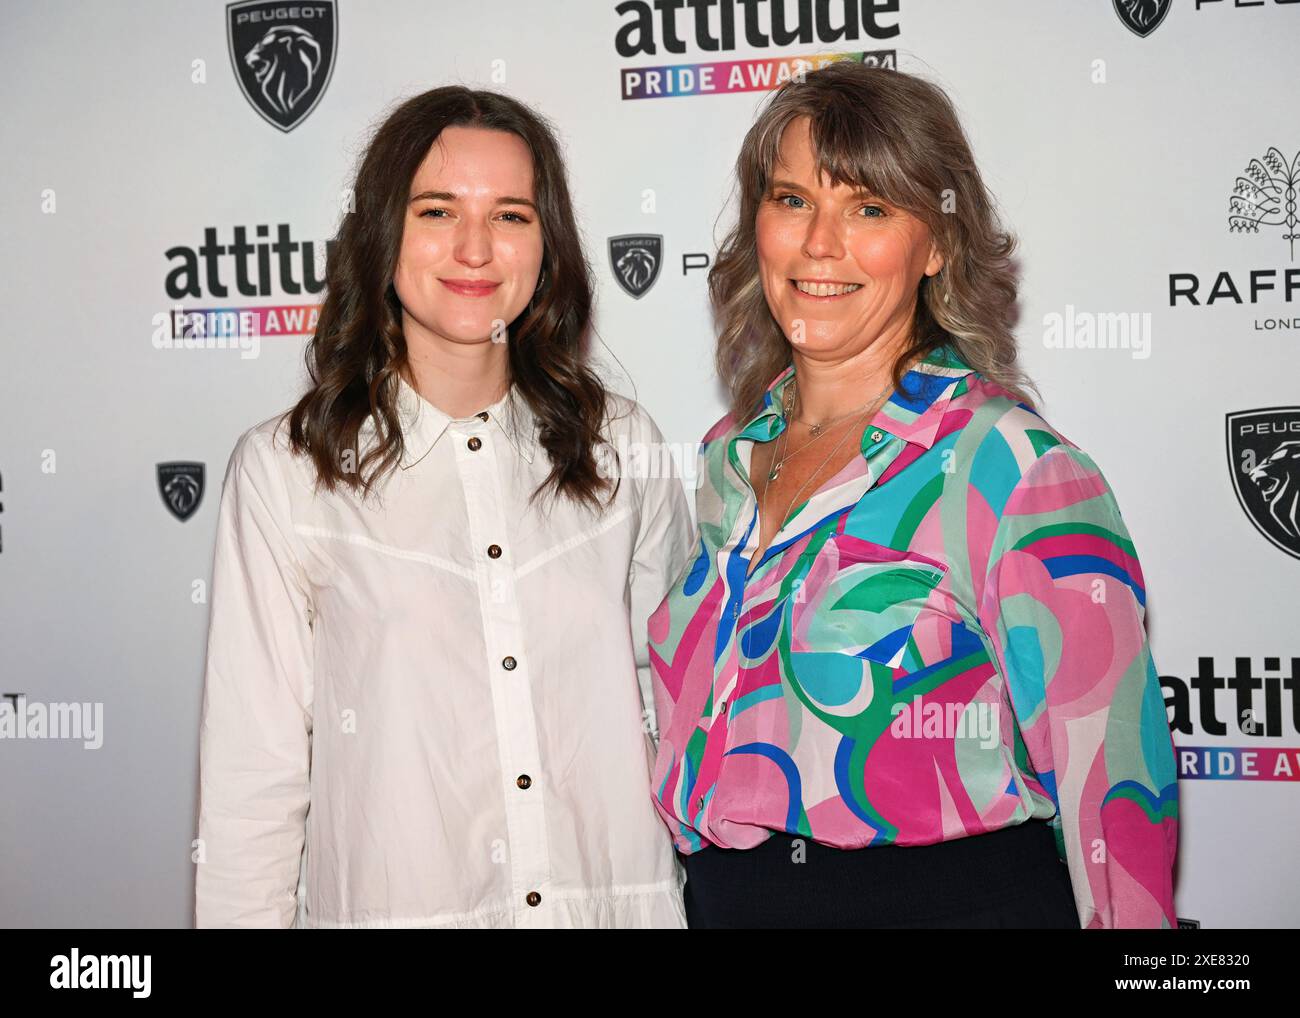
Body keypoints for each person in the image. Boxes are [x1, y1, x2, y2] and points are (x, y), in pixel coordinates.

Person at [646, 62, 1179, 929]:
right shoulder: (723, 464)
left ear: (936, 243)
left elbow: (1114, 787)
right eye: (791, 200)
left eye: (869, 208)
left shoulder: (1007, 465)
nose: (821, 243)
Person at [195, 86, 694, 928]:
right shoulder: (287, 473)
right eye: (436, 210)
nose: (474, 248)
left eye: (510, 216)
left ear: (548, 245)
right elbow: (253, 782)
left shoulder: (624, 450)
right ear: (383, 233)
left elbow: (681, 720)